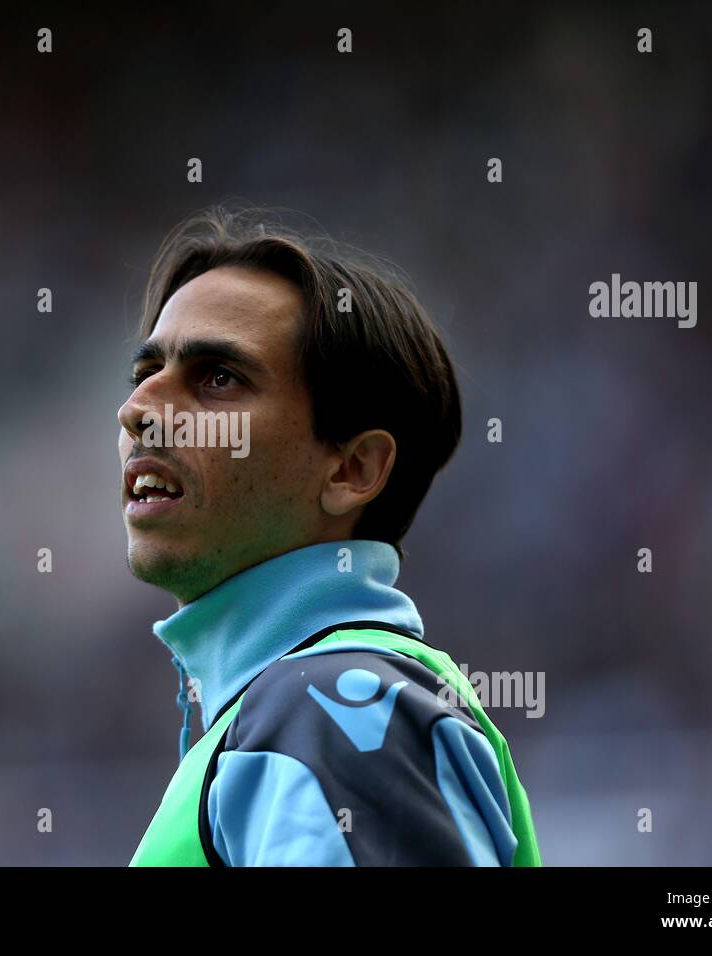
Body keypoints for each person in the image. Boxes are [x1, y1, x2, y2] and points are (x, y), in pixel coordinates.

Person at [119, 204, 541, 866]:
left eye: (218, 378)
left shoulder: (333, 702)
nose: (138, 410)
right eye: (146, 374)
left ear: (351, 469)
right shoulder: (297, 710)